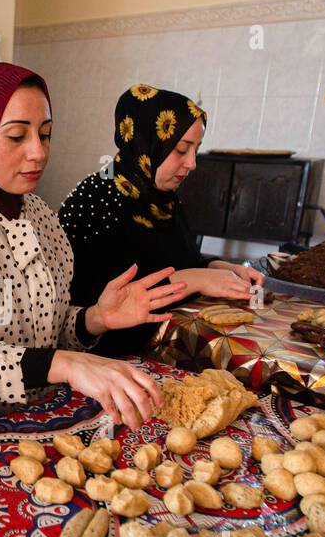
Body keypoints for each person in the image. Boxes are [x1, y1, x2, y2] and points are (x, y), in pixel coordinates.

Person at [0, 63, 186, 461]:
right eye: (16, 136)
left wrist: (93, 318)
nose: (38, 152)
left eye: (45, 134)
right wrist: (62, 365)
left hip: (35, 416)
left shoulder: (40, 217)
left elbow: (46, 332)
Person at [59, 84, 264, 357]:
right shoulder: (96, 200)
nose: (192, 163)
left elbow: (178, 259)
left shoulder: (161, 196)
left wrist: (221, 268)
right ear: (147, 143)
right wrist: (194, 280)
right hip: (110, 356)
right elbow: (104, 306)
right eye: (181, 150)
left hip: (167, 340)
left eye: (196, 149)